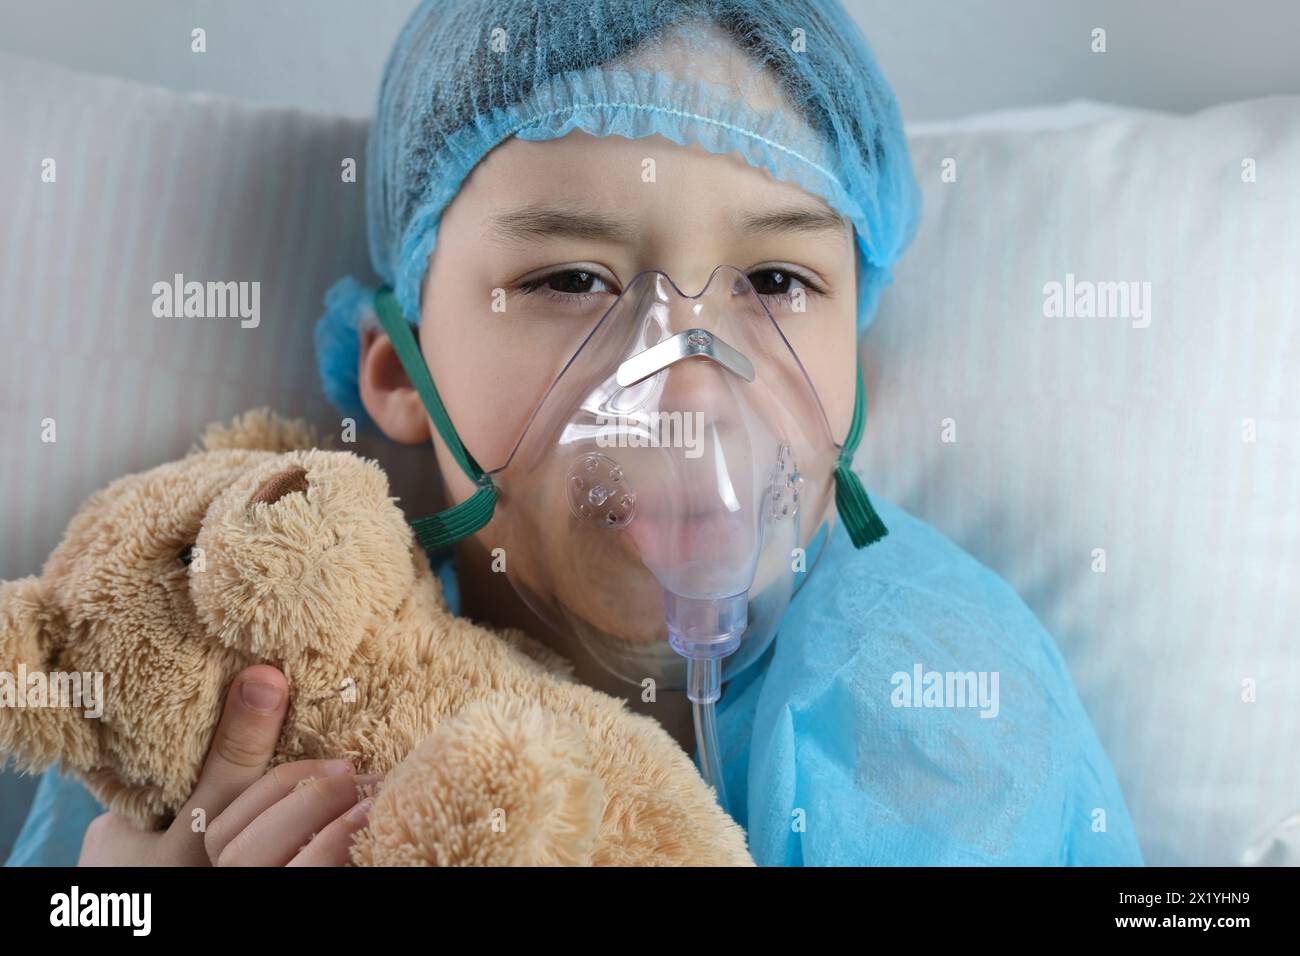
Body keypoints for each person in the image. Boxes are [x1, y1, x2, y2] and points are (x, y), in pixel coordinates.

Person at [7, 0, 1143, 867]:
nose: (690, 381)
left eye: (776, 278)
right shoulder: (236, 629)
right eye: (568, 276)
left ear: (859, 384)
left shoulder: (933, 708)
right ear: (399, 369)